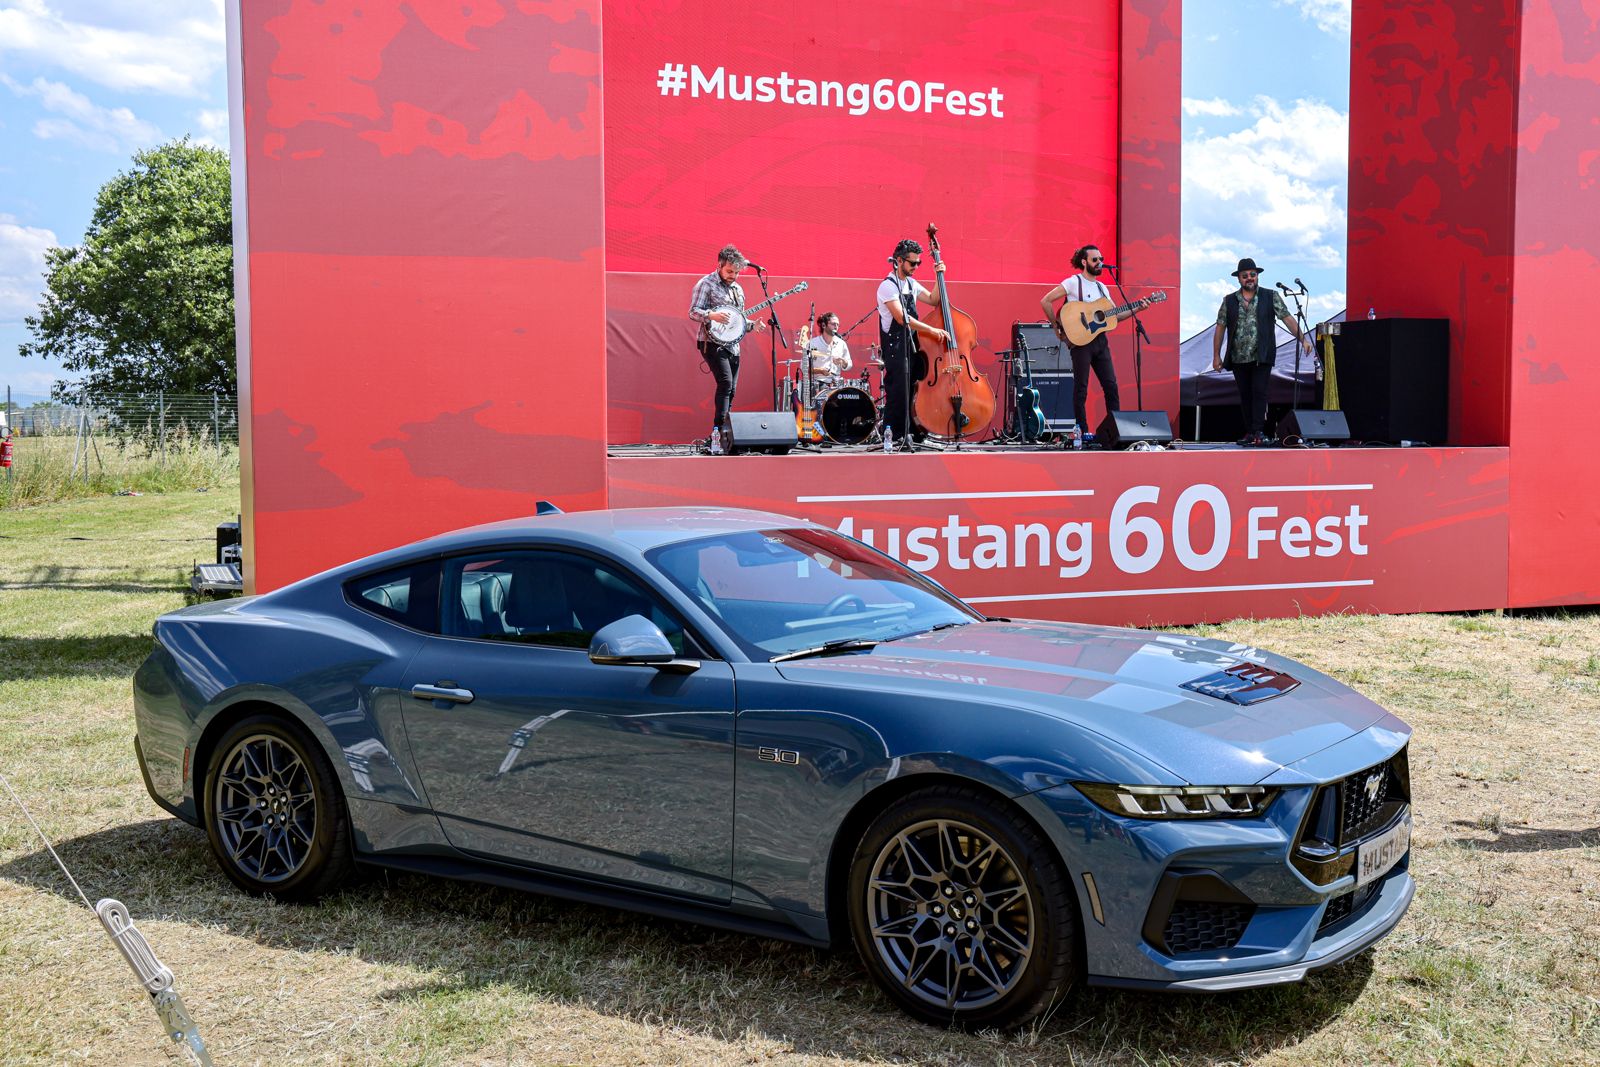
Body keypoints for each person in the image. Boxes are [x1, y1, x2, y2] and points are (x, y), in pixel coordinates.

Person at [1210, 257, 1311, 446]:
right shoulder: (1229, 301)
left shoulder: (1270, 296)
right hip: (1238, 356)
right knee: (1245, 395)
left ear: (1257, 276)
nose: (1249, 278)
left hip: (1261, 354)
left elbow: (1287, 319)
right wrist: (1216, 355)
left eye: (1252, 275)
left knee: (1260, 393)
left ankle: (1258, 431)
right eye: (1245, 276)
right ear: (1239, 278)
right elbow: (1220, 328)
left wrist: (1303, 339)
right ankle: (1250, 432)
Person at [688, 244, 765, 454]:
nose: (733, 276)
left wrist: (751, 325)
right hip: (711, 342)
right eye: (730, 271)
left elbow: (737, 322)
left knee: (732, 390)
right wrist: (711, 315)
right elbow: (693, 312)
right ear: (720, 266)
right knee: (725, 383)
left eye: (737, 272)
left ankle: (724, 433)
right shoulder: (706, 284)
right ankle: (716, 432)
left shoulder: (738, 289)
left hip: (733, 346)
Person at [1041, 244, 1120, 442]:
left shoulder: (1103, 288)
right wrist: (1056, 327)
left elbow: (1113, 316)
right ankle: (1082, 431)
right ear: (1084, 262)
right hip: (1081, 342)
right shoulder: (1073, 282)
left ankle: (1115, 429)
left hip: (1101, 341)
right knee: (1081, 387)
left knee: (1111, 386)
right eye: (1095, 259)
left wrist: (1138, 308)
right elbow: (1046, 301)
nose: (1100, 262)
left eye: (1101, 259)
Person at [877, 239, 949, 452]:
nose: (916, 267)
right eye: (912, 263)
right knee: (898, 391)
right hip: (896, 347)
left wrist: (939, 274)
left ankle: (916, 432)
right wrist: (932, 330)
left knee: (915, 390)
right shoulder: (887, 286)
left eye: (918, 263)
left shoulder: (911, 284)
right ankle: (894, 435)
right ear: (899, 261)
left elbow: (935, 299)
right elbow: (902, 318)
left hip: (913, 346)